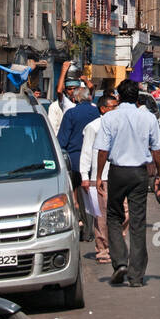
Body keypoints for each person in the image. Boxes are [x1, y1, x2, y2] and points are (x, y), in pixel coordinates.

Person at [95, 79, 160, 287]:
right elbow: (157, 150)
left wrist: (99, 176)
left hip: (117, 172)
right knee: (137, 221)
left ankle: (119, 263)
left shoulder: (110, 117)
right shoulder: (148, 117)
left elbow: (102, 150)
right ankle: (136, 275)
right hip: (139, 173)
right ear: (138, 97)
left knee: (114, 216)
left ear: (118, 96)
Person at [57, 84, 100, 241]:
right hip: (95, 160)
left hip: (75, 160)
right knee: (93, 196)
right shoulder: (97, 111)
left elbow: (62, 140)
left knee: (77, 199)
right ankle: (94, 229)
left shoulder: (71, 113)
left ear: (75, 98)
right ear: (89, 97)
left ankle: (82, 229)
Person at [80, 92, 119, 263]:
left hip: (119, 175)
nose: (116, 110)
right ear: (103, 109)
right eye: (113, 107)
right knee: (101, 216)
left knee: (123, 213)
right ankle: (103, 250)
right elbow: (86, 152)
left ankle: (117, 245)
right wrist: (84, 176)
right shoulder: (93, 127)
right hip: (99, 177)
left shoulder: (121, 125)